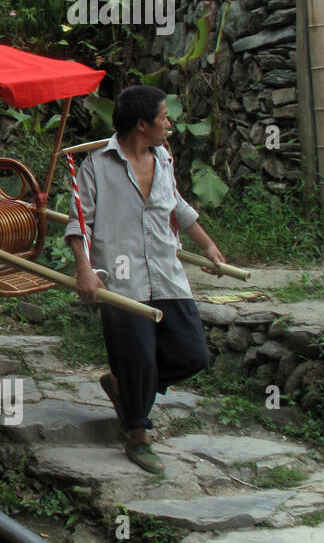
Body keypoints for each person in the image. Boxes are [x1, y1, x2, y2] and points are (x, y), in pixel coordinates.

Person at [66, 85, 227, 475]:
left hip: (166, 275)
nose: (168, 123)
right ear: (143, 124)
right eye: (163, 117)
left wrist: (207, 246)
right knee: (137, 357)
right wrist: (85, 270)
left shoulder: (164, 160)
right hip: (122, 282)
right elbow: (78, 223)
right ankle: (137, 434)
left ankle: (126, 386)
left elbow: (177, 205)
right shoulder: (96, 167)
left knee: (193, 355)